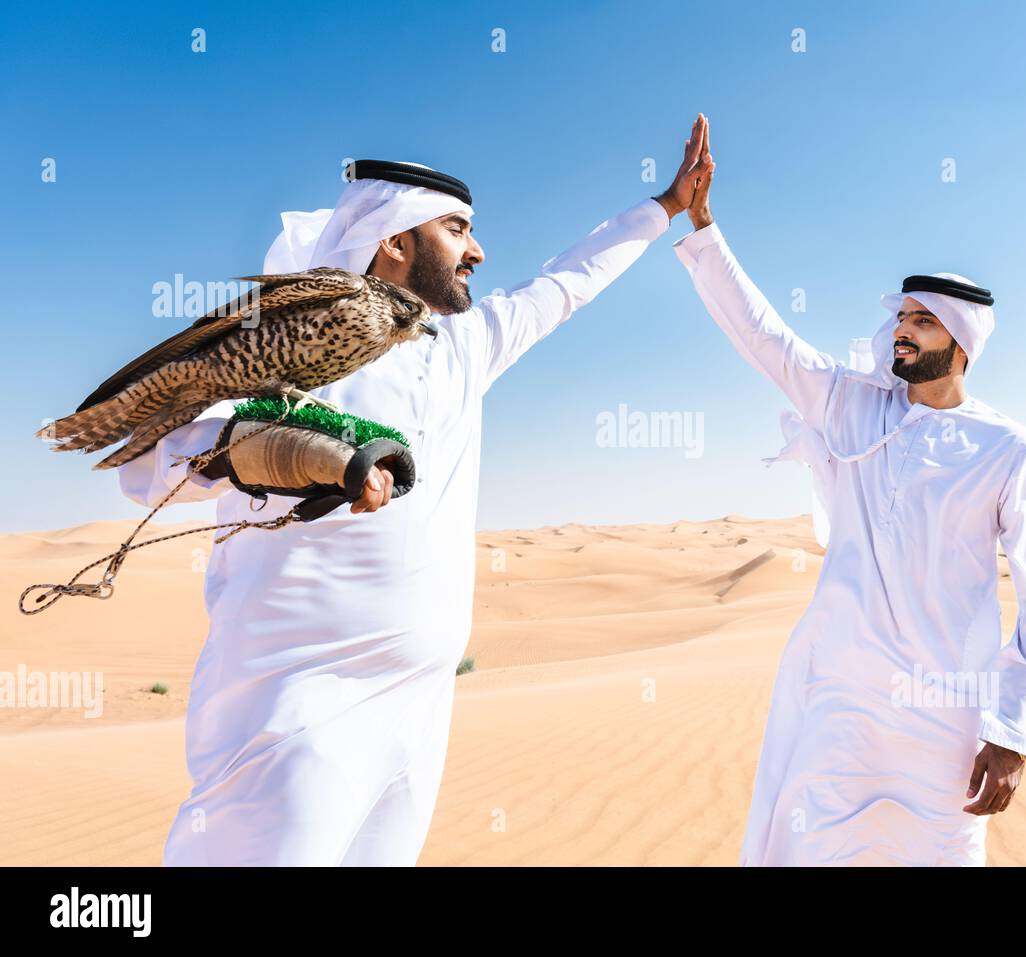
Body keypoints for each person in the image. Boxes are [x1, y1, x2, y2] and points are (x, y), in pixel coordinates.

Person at [120, 116, 714, 866]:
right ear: (394, 239)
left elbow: (568, 281)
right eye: (458, 229)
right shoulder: (292, 336)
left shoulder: (466, 346)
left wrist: (663, 207)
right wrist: (271, 449)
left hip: (419, 714)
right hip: (296, 712)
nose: (478, 250)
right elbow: (143, 466)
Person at [671, 118, 1026, 866]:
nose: (901, 334)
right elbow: (766, 338)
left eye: (922, 321)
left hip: (946, 717)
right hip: (843, 705)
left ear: (961, 340)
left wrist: (1012, 730)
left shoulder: (1009, 450)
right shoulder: (852, 408)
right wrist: (706, 229)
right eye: (900, 319)